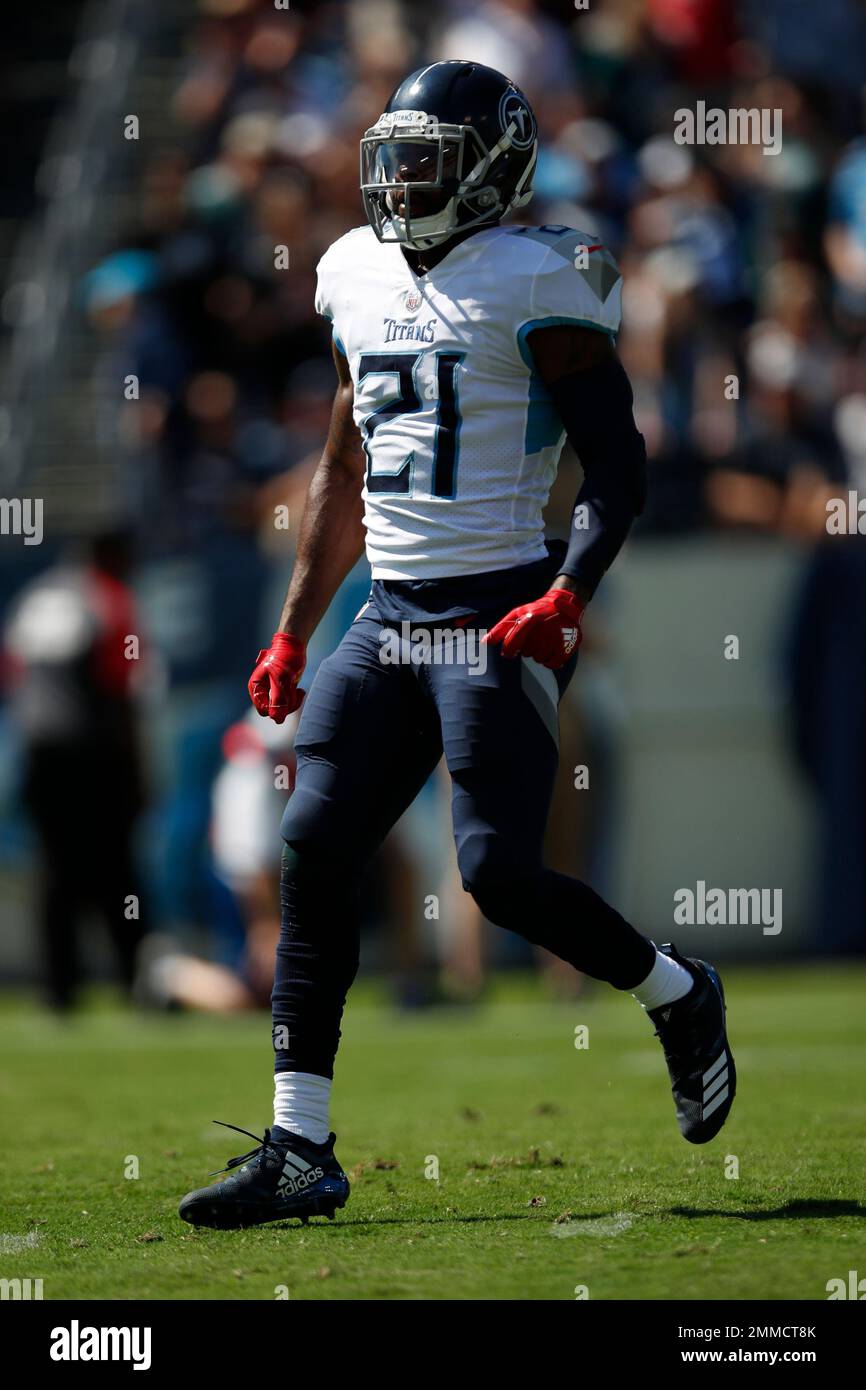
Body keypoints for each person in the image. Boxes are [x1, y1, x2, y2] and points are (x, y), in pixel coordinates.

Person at [178, 61, 736, 1230]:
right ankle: (298, 1144)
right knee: (312, 845)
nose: (396, 180)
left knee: (495, 874)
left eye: (424, 158)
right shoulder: (350, 273)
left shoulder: (543, 280)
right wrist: (291, 629)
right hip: (387, 614)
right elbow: (343, 466)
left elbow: (617, 470)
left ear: (491, 168)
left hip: (501, 605)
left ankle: (677, 990)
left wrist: (569, 595)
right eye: (393, 156)